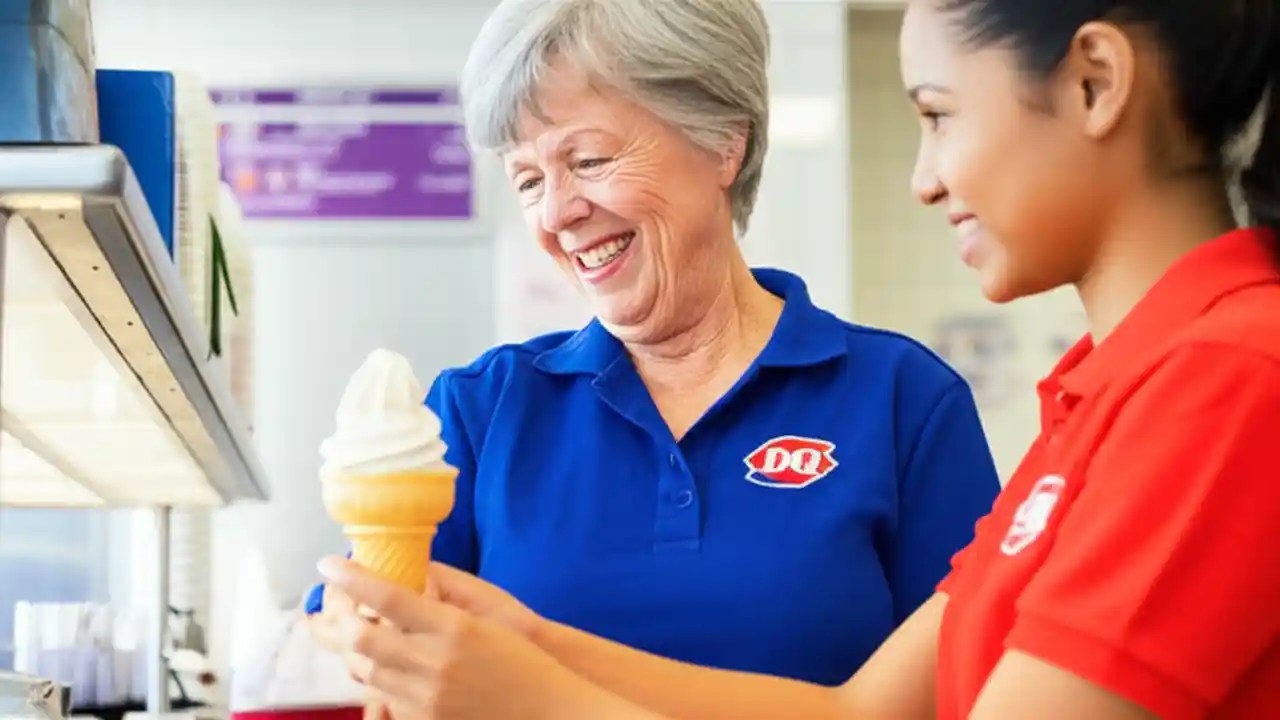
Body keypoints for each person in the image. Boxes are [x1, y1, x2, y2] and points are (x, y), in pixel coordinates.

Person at [314, 0, 1280, 718]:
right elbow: (856, 711)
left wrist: (538, 699)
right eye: (527, 178)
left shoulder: (1222, 379)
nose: (923, 178)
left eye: (938, 114)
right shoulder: (1102, 404)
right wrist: (520, 645)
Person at [308, 0, 1000, 690]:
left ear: (724, 142)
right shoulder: (481, 411)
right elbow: (356, 645)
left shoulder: (902, 401)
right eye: (528, 180)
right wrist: (348, 633)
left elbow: (970, 690)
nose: (555, 213)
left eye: (588, 159)